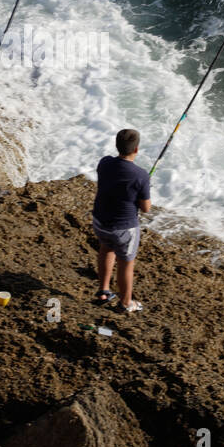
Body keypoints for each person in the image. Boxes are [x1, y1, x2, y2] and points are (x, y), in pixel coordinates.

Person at [91, 128, 151, 313]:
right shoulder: (141, 175)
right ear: (136, 150)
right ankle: (126, 303)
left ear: (117, 146)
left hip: (100, 222)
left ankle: (104, 291)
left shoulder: (105, 163)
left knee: (106, 250)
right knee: (126, 263)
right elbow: (146, 208)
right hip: (124, 229)